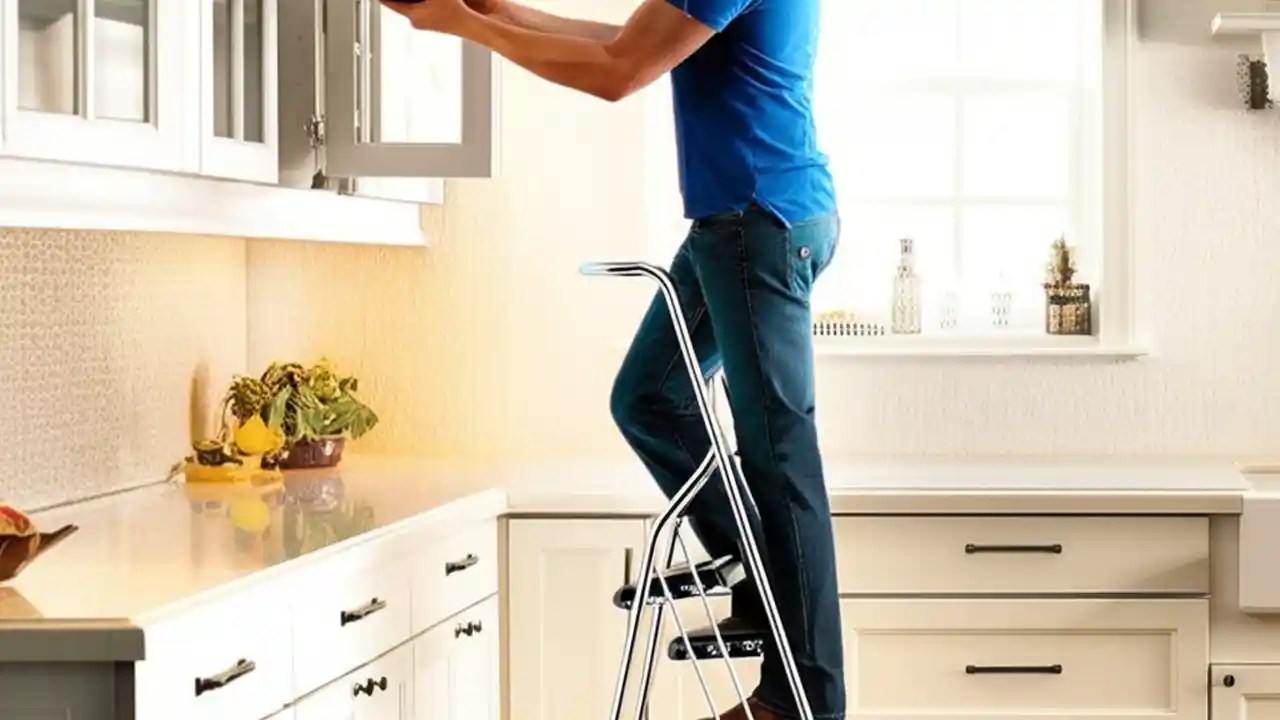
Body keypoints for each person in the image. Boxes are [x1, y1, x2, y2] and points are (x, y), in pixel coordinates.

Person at [382, 0, 844, 717]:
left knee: (780, 458)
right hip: (742, 220)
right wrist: (493, 9)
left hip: (759, 220)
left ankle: (804, 701)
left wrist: (461, 24)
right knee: (650, 399)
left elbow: (616, 72)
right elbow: (623, 43)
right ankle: (759, 582)